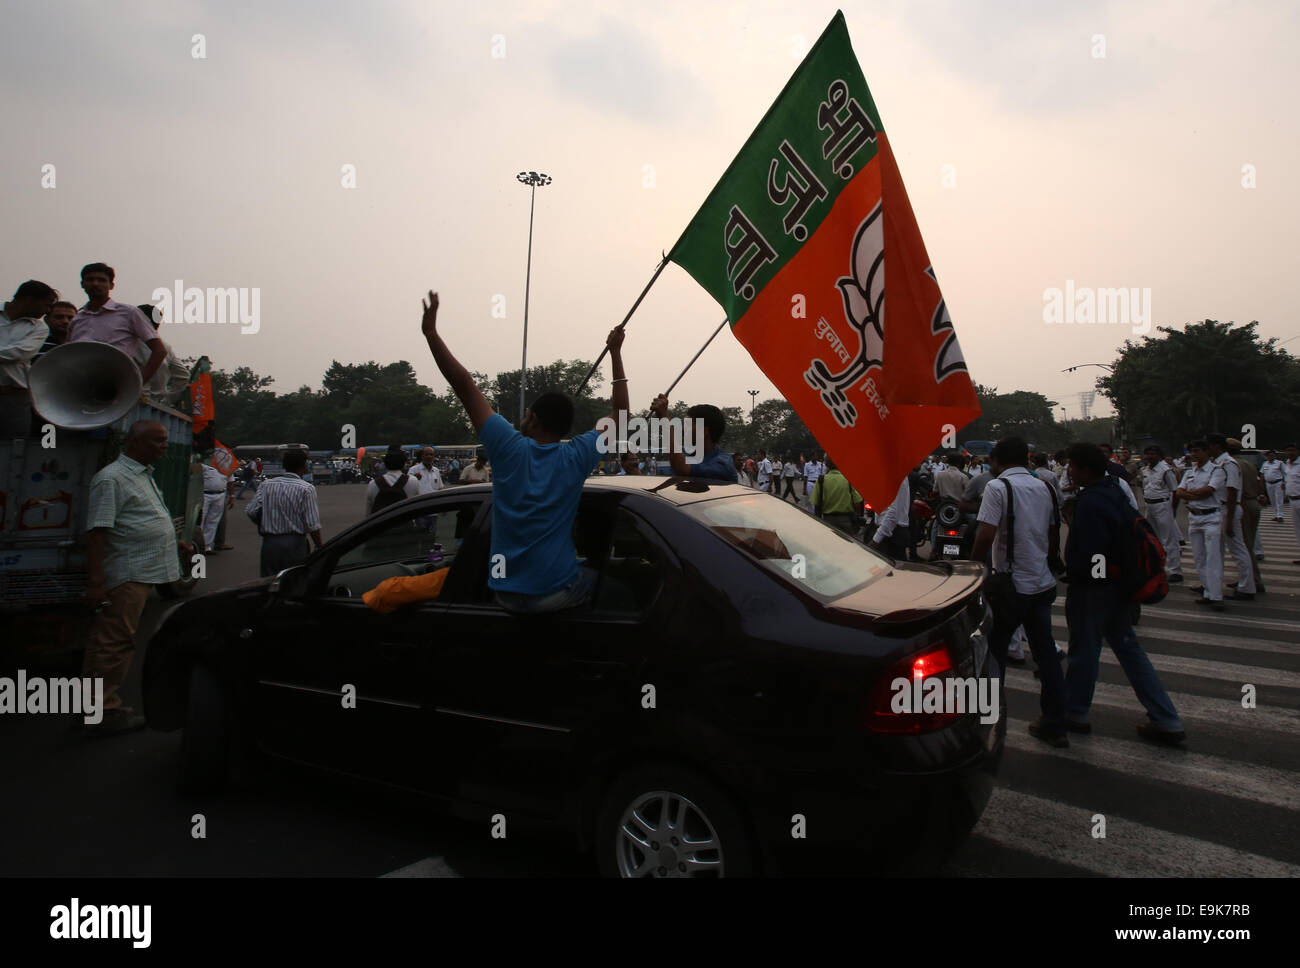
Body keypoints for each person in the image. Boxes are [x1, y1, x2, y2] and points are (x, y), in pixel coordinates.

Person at [422, 289, 628, 614]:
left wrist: (432, 335)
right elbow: (621, 416)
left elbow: (464, 385)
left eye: (527, 412)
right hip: (556, 593)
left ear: (533, 419)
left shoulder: (506, 449)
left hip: (504, 594)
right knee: (624, 590)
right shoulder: (578, 456)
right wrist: (615, 353)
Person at [1063, 442, 1185, 746]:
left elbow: (1092, 552)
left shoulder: (1091, 502)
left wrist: (1087, 581)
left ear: (1085, 469)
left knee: (1085, 652)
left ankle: (1075, 713)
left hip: (1096, 590)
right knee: (1130, 650)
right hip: (1120, 588)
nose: (1068, 470)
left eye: (1072, 465)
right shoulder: (1114, 491)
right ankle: (1167, 719)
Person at [83, 420, 193, 734]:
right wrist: (95, 582)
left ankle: (94, 707)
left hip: (141, 571)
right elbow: (98, 532)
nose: (165, 446)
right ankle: (101, 712)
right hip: (126, 573)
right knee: (114, 642)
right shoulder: (112, 479)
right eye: (158, 441)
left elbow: (141, 519)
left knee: (114, 641)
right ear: (136, 443)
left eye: (165, 441)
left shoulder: (142, 475)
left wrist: (175, 542)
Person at [970, 437, 1064, 746]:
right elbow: (1053, 534)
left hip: (1009, 586)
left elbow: (985, 535)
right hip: (1041, 582)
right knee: (1046, 653)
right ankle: (1054, 721)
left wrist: (972, 571)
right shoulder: (1046, 487)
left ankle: (987, 721)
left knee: (993, 653)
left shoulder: (998, 488)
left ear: (996, 460)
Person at [67, 263, 167, 385]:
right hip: (82, 385)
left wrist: (138, 383)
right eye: (90, 279)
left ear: (111, 285)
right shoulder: (77, 319)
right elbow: (69, 355)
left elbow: (159, 350)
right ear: (82, 284)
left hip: (118, 385)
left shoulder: (129, 313)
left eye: (101, 280)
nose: (95, 284)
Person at [246, 449, 323, 577]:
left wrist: (265, 521)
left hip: (269, 544)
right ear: (304, 465)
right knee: (294, 582)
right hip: (295, 545)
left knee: (269, 583)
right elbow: (312, 524)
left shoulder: (266, 485)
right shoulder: (306, 489)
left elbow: (251, 511)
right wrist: (319, 546)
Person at [1, 280, 58, 437]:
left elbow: (18, 354)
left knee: (15, 448)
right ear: (30, 300)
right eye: (46, 305)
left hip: (14, 397)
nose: (47, 311)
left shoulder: (39, 328)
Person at [1176, 440, 1226, 610]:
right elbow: (1179, 491)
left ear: (1207, 452)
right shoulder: (1190, 472)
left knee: (1213, 558)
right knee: (1199, 558)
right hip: (1195, 518)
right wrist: (1194, 495)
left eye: (1197, 451)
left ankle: (1217, 597)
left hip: (1211, 517)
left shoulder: (1217, 470)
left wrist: (1189, 495)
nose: (1194, 455)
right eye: (1192, 452)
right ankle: (1207, 592)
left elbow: (1209, 491)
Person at [1206, 433, 1256, 600]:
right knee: (1220, 550)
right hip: (1222, 509)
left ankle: (1247, 588)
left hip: (1230, 509)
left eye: (1209, 446)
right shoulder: (1220, 463)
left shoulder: (1229, 464)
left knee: (1238, 549)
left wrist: (1229, 520)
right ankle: (1216, 586)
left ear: (1217, 447)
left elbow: (1233, 490)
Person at [646, 397, 737, 483]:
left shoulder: (722, 464)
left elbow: (682, 469)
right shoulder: (690, 457)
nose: (683, 429)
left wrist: (664, 418)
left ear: (704, 431)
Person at [134, 304, 193, 405]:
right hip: (156, 406)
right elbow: (184, 377)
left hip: (128, 401)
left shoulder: (127, 343)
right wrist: (167, 400)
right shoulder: (166, 347)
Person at [1140, 445, 1183, 584]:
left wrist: (1173, 509)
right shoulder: (1145, 470)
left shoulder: (1165, 470)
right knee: (1153, 537)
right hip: (1150, 506)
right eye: (1147, 454)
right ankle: (1158, 566)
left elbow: (1175, 491)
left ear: (1159, 455)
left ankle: (1174, 570)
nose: (1149, 457)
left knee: (1169, 539)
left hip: (1163, 505)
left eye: (1152, 454)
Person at [1227, 438, 1264, 593]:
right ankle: (1249, 578)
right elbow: (1259, 483)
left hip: (1242, 504)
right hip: (1253, 502)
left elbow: (1234, 490)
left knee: (1245, 546)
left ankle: (1253, 581)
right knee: (1248, 544)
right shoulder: (1248, 463)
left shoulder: (1233, 465)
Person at [811, 457, 862, 535]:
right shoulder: (848, 479)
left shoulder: (821, 480)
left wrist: (818, 521)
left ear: (827, 465)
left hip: (827, 521)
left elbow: (816, 505)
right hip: (846, 521)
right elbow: (857, 503)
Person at [365, 445, 421, 514]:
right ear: (403, 463)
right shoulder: (413, 481)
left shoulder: (373, 484)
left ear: (385, 463)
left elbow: (368, 512)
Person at [868, 475, 911, 558]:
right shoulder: (886, 476)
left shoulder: (896, 476)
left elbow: (893, 514)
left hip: (892, 535)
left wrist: (875, 540)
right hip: (885, 532)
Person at [199, 456, 233, 554]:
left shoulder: (227, 467)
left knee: (213, 521)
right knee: (201, 520)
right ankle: (199, 544)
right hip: (205, 494)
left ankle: (207, 546)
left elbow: (230, 481)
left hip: (220, 495)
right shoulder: (205, 465)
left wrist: (232, 496)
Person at [1283, 443, 1300, 564]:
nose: (1290, 453)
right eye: (1288, 450)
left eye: (1293, 450)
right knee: (1298, 530)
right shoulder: (1287, 464)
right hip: (1292, 501)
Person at [1261, 449, 1286, 521]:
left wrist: (1284, 482)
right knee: (1272, 499)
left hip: (1278, 482)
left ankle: (1280, 515)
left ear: (1275, 456)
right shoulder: (1265, 464)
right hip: (1269, 483)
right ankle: (1276, 514)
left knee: (1279, 499)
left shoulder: (1279, 463)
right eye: (1269, 455)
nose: (1270, 456)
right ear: (1267, 456)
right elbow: (1262, 474)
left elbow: (1285, 473)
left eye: (1272, 455)